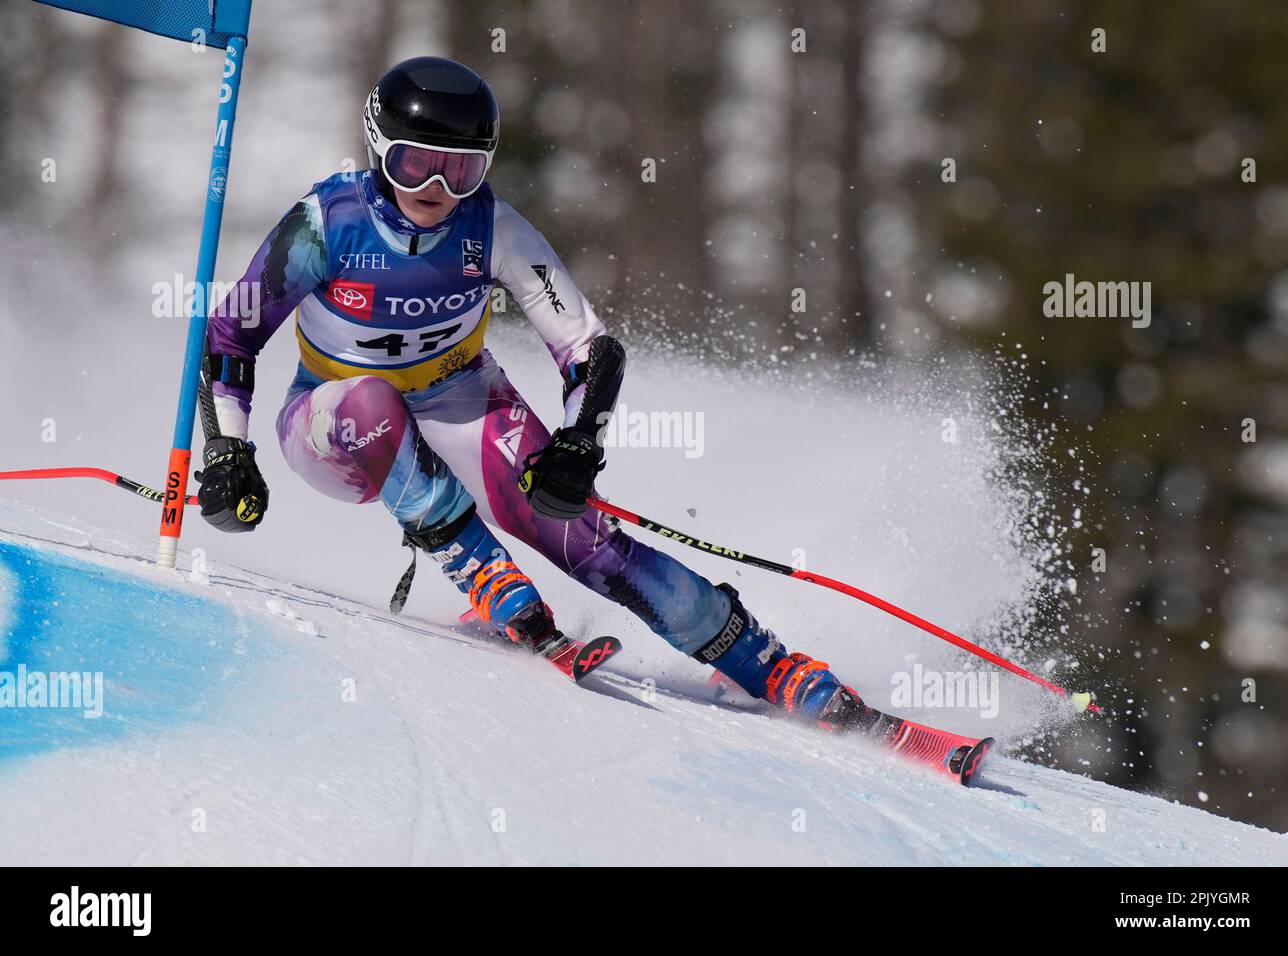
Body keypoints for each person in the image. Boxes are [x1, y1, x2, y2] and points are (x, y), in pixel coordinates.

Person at [199, 55, 866, 730]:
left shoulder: (493, 229)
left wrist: (579, 445)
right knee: (373, 402)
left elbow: (590, 348)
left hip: (460, 398)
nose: (435, 186)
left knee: (590, 541)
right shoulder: (326, 225)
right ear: (379, 151)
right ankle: (483, 573)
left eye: (460, 170)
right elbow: (231, 337)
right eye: (414, 164)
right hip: (332, 423)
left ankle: (763, 663)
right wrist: (228, 452)